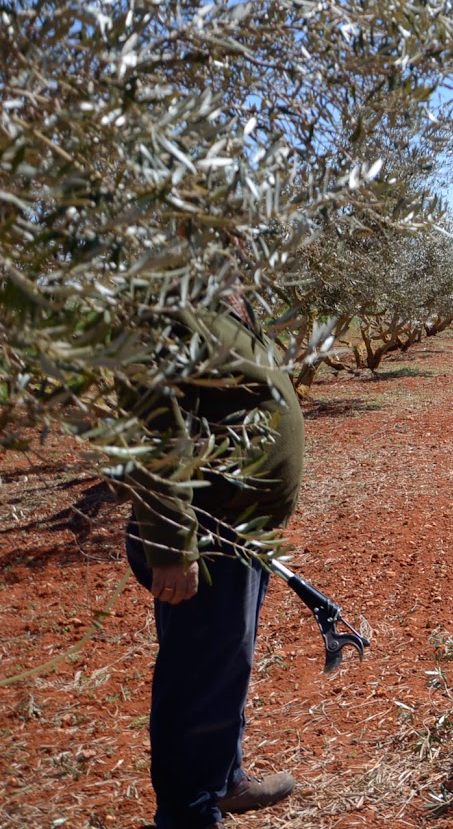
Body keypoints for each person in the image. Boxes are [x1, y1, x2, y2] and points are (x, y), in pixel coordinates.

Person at [118, 298, 304, 828]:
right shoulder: (164, 304)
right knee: (197, 677)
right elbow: (151, 425)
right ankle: (188, 815)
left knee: (226, 666)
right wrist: (172, 543)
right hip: (204, 533)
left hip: (239, 531)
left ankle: (223, 780)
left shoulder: (227, 305)